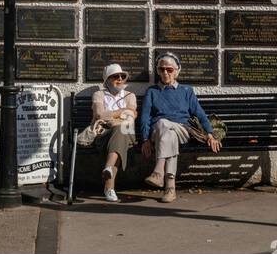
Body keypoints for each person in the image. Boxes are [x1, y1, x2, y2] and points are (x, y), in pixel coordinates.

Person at [139, 52, 221, 204]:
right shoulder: (152, 91)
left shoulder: (186, 91)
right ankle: (170, 188)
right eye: (161, 69)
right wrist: (145, 139)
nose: (165, 72)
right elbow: (145, 117)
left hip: (183, 130)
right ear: (157, 71)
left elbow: (200, 113)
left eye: (169, 69)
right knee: (166, 131)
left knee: (167, 130)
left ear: (177, 71)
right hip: (158, 131)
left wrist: (210, 133)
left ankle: (158, 171)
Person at [90, 63, 137, 202]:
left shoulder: (130, 95)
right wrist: (122, 112)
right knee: (118, 139)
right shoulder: (99, 94)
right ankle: (109, 182)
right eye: (115, 76)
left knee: (121, 129)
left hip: (128, 132)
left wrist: (113, 114)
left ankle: (109, 183)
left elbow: (132, 115)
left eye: (122, 76)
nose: (120, 79)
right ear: (107, 80)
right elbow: (100, 115)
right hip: (103, 134)